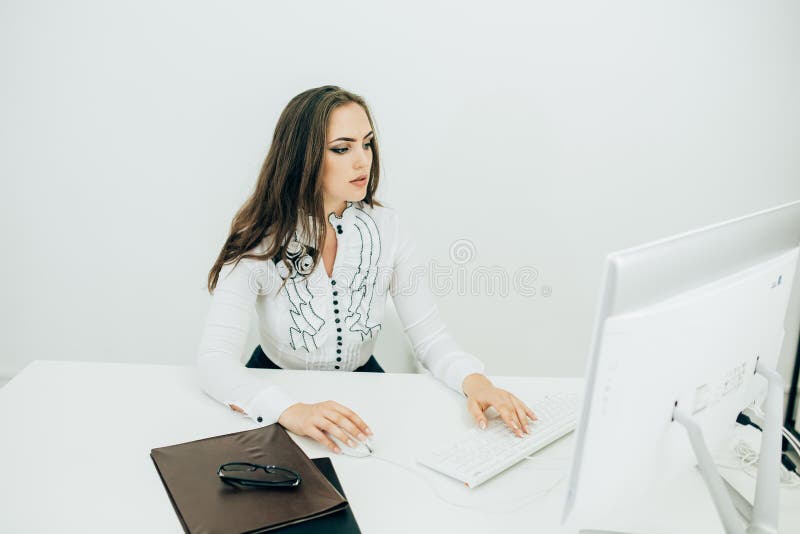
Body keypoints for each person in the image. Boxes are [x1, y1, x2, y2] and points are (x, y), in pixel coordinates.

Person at [197, 85, 536, 455]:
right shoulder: (259, 238)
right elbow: (214, 360)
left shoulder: (388, 229)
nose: (363, 160)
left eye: (367, 143)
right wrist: (290, 410)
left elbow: (432, 340)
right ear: (302, 157)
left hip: (367, 391)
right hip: (278, 394)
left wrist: (478, 384)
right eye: (342, 148)